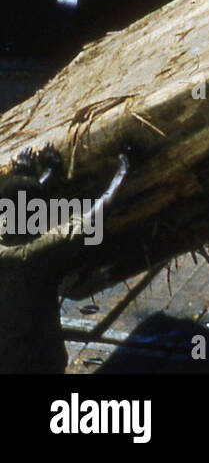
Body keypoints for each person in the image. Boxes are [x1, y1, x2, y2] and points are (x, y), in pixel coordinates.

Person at [0, 145, 129, 374]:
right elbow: (92, 219)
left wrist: (41, 175)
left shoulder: (11, 245)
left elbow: (18, 208)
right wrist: (123, 171)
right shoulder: (32, 257)